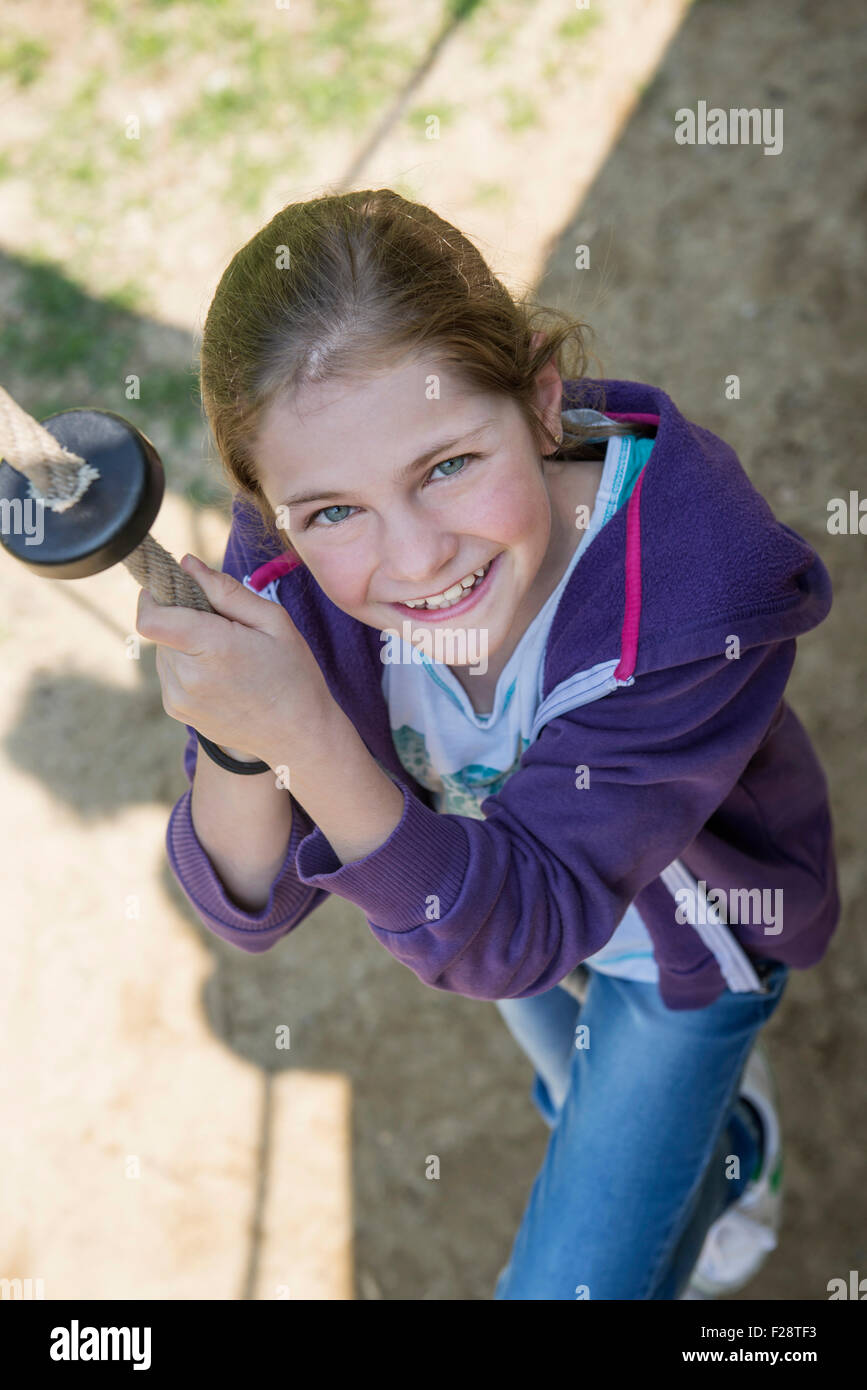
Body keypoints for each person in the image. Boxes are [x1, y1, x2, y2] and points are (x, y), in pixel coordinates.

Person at [139, 189, 839, 1300]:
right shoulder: (289, 574)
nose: (414, 559)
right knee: (579, 1091)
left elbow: (524, 927)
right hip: (458, 880)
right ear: (271, 510)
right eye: (331, 512)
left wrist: (310, 738)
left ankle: (721, 1145)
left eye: (448, 465)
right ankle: (714, 1143)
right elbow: (249, 902)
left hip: (670, 946)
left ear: (542, 402)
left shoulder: (701, 601)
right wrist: (238, 743)